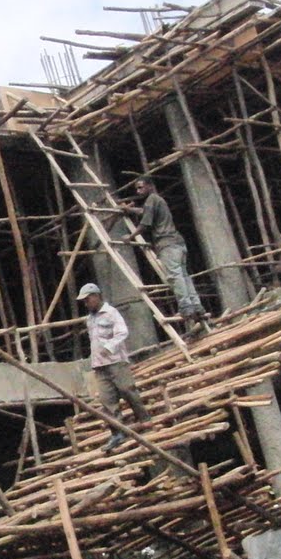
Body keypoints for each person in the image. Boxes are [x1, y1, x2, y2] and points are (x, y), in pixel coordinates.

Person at [80, 282, 151, 452]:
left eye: (88, 299)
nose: (86, 303)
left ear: (96, 296)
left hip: (116, 361)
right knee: (107, 400)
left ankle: (144, 418)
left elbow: (122, 332)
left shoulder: (111, 313)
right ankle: (118, 432)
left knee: (127, 389)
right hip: (99, 365)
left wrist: (109, 347)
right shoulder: (90, 319)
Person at [130, 177, 207, 334]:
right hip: (178, 243)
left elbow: (145, 223)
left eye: (141, 188)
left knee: (175, 276)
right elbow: (145, 212)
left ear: (150, 186)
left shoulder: (151, 199)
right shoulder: (158, 200)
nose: (139, 192)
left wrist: (130, 237)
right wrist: (130, 210)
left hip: (167, 244)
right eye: (137, 189)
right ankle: (197, 306)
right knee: (184, 276)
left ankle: (186, 308)